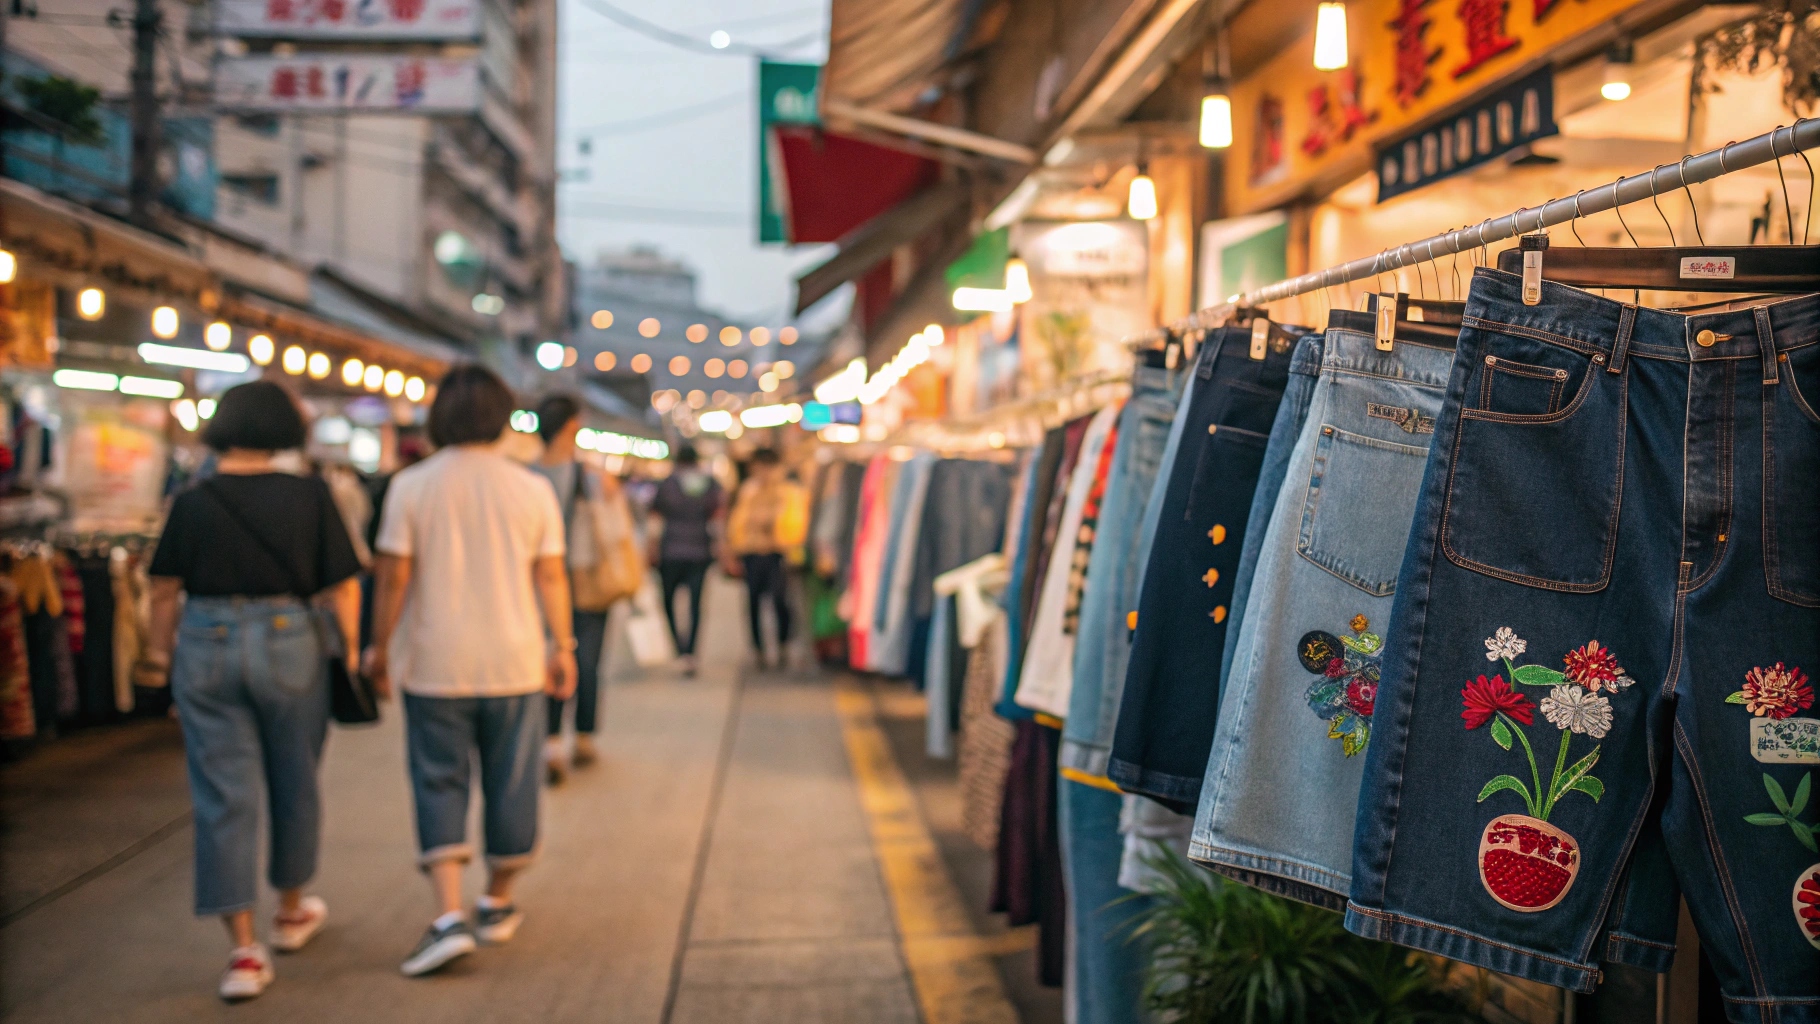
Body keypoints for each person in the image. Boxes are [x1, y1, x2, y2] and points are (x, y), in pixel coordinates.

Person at [142, 381, 363, 1002]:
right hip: (290, 641)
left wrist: (160, 661)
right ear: (282, 429)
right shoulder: (310, 496)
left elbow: (164, 590)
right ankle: (291, 912)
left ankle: (243, 951)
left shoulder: (191, 499)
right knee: (295, 777)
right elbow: (343, 586)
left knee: (223, 794)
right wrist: (349, 653)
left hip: (206, 641)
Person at [364, 364, 578, 978]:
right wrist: (563, 646)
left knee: (439, 781)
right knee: (514, 783)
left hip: (436, 663)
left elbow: (394, 577)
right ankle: (498, 900)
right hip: (515, 662)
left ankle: (449, 915)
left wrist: (379, 651)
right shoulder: (531, 488)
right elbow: (551, 575)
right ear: (505, 417)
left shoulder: (411, 486)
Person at [529, 394, 613, 783]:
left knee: (547, 658)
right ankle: (582, 736)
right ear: (570, 427)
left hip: (537, 586)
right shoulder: (591, 475)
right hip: (583, 580)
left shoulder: (526, 475)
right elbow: (614, 525)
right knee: (587, 659)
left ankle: (549, 742)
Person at [723, 448, 808, 670]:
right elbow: (737, 522)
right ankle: (758, 649)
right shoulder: (748, 491)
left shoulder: (788, 492)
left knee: (780, 600)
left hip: (778, 553)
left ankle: (783, 644)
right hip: (751, 553)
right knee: (752, 602)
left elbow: (795, 522)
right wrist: (734, 549)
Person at [647, 444, 722, 675]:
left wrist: (651, 548)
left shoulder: (667, 485)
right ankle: (691, 651)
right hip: (700, 550)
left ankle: (679, 647)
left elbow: (655, 520)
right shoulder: (710, 485)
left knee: (668, 601)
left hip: (670, 551)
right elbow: (717, 519)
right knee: (696, 603)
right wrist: (720, 546)